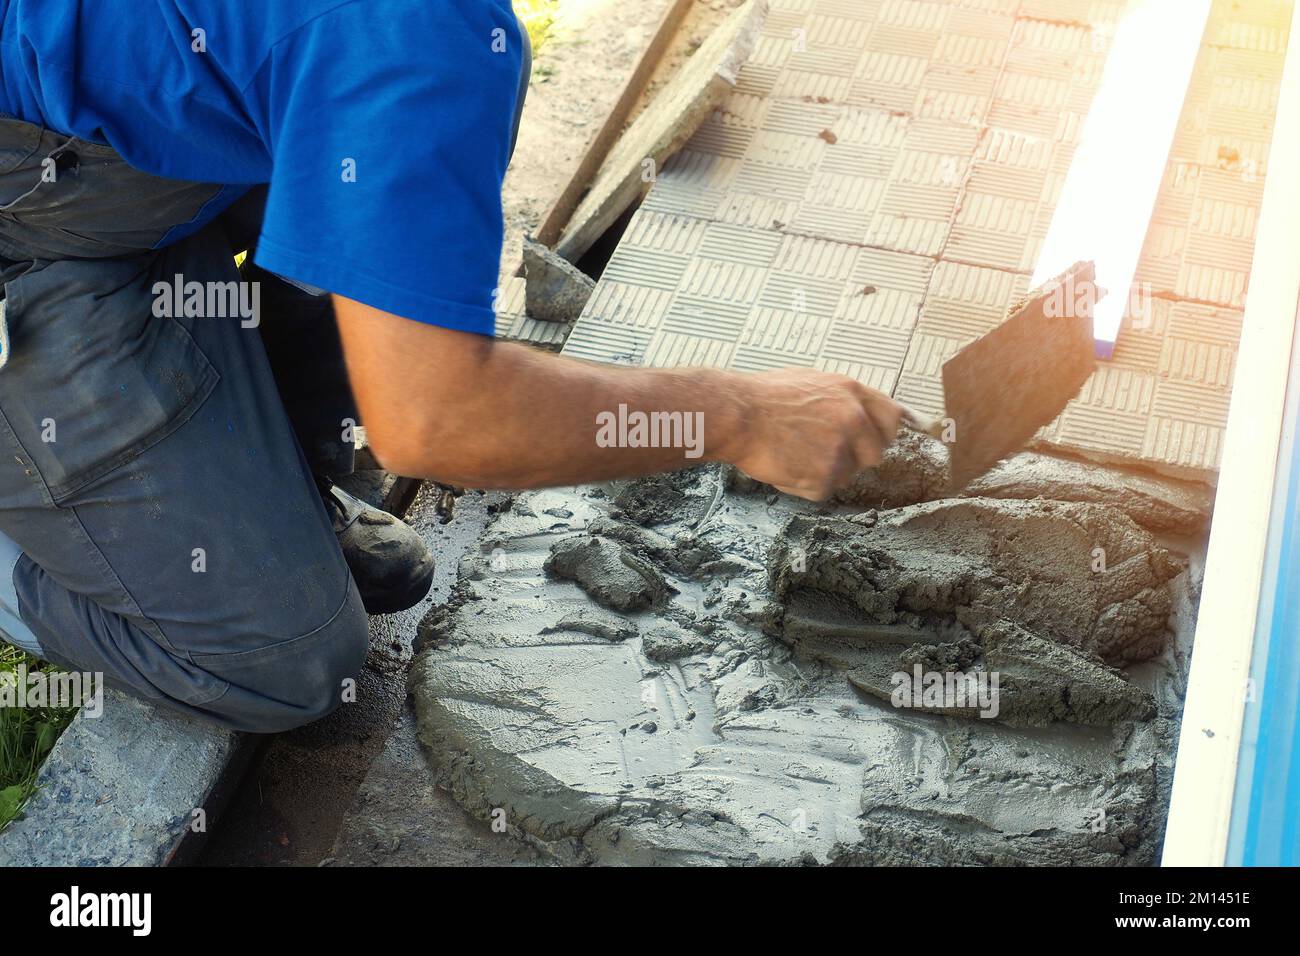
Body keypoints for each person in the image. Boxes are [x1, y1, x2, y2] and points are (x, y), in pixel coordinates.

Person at [0, 0, 901, 732]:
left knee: (377, 209)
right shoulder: (414, 32)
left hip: (85, 162)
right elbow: (438, 421)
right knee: (284, 661)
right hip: (30, 221)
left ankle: (240, 483)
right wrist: (745, 418)